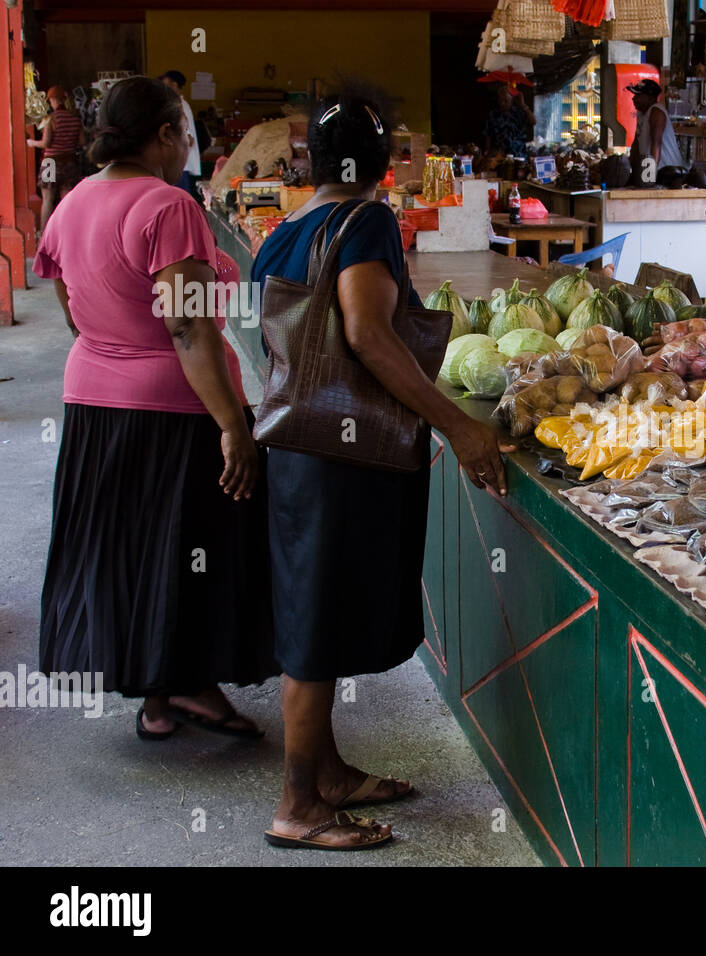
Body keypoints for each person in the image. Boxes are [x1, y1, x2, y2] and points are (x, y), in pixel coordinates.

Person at [252, 85, 515, 851]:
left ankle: (326, 772)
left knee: (317, 613)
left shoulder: (290, 224)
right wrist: (458, 424)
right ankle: (299, 807)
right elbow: (366, 332)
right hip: (339, 451)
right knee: (315, 623)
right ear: (385, 163)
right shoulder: (364, 221)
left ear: (311, 159)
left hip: (301, 444)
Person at [34, 76, 276, 742]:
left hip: (93, 401)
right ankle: (188, 686)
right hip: (176, 406)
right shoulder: (167, 207)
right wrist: (233, 424)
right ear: (165, 134)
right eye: (185, 134)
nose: (186, 149)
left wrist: (115, 349)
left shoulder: (74, 202)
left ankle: (160, 696)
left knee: (136, 549)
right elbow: (189, 327)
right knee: (194, 545)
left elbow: (71, 309)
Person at [26, 86, 84, 233]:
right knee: (66, 200)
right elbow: (82, 142)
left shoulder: (51, 119)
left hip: (50, 162)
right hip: (69, 162)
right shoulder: (75, 119)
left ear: (52, 100)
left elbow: (46, 143)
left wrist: (32, 143)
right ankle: (68, 233)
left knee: (47, 200)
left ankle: (45, 235)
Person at [626, 78, 686, 186]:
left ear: (649, 98)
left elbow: (656, 144)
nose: (634, 99)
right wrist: (629, 169)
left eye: (638, 96)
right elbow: (636, 144)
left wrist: (650, 175)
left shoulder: (656, 111)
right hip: (653, 171)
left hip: (667, 173)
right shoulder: (641, 114)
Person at [159, 70, 202, 196]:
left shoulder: (180, 105)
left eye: (166, 85)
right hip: (177, 163)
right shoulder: (175, 104)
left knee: (178, 199)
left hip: (180, 165)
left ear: (174, 85)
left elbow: (189, 137)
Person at [483, 83, 534, 158]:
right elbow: (488, 134)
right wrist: (487, 151)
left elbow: (533, 121)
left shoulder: (519, 112)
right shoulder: (493, 114)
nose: (502, 103)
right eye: (500, 100)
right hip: (499, 155)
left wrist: (523, 105)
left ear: (512, 99)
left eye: (506, 101)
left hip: (518, 154)